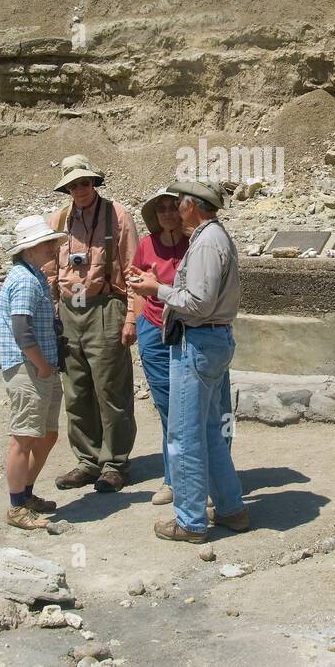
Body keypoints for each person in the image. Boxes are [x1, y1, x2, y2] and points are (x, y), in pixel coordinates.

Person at [127, 176, 249, 543]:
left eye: (179, 202)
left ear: (191, 206)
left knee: (185, 435)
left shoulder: (208, 242)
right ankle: (231, 508)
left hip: (197, 342)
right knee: (211, 431)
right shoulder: (211, 238)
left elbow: (198, 302)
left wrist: (156, 289)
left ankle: (191, 521)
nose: (175, 208)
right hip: (208, 341)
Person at [48, 155, 139, 493]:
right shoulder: (58, 219)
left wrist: (131, 317)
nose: (79, 189)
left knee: (111, 390)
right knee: (77, 390)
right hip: (69, 312)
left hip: (106, 307)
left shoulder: (118, 215)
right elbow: (49, 270)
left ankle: (115, 462)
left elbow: (133, 269)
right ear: (67, 188)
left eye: (84, 182)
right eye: (73, 185)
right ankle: (88, 461)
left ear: (94, 183)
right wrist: (52, 312)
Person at [0, 215, 66, 531]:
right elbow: (22, 329)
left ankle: (25, 495)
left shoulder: (32, 275)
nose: (52, 247)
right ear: (29, 249)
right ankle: (16, 505)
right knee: (24, 437)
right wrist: (40, 363)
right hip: (30, 368)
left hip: (40, 366)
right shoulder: (25, 280)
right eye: (45, 243)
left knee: (46, 433)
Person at [129, 189, 189, 506]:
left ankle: (187, 476)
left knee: (188, 406)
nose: (167, 213)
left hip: (186, 330)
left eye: (172, 207)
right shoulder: (146, 245)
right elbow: (136, 284)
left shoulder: (195, 242)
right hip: (153, 329)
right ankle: (172, 478)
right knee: (167, 407)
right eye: (161, 209)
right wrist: (136, 322)